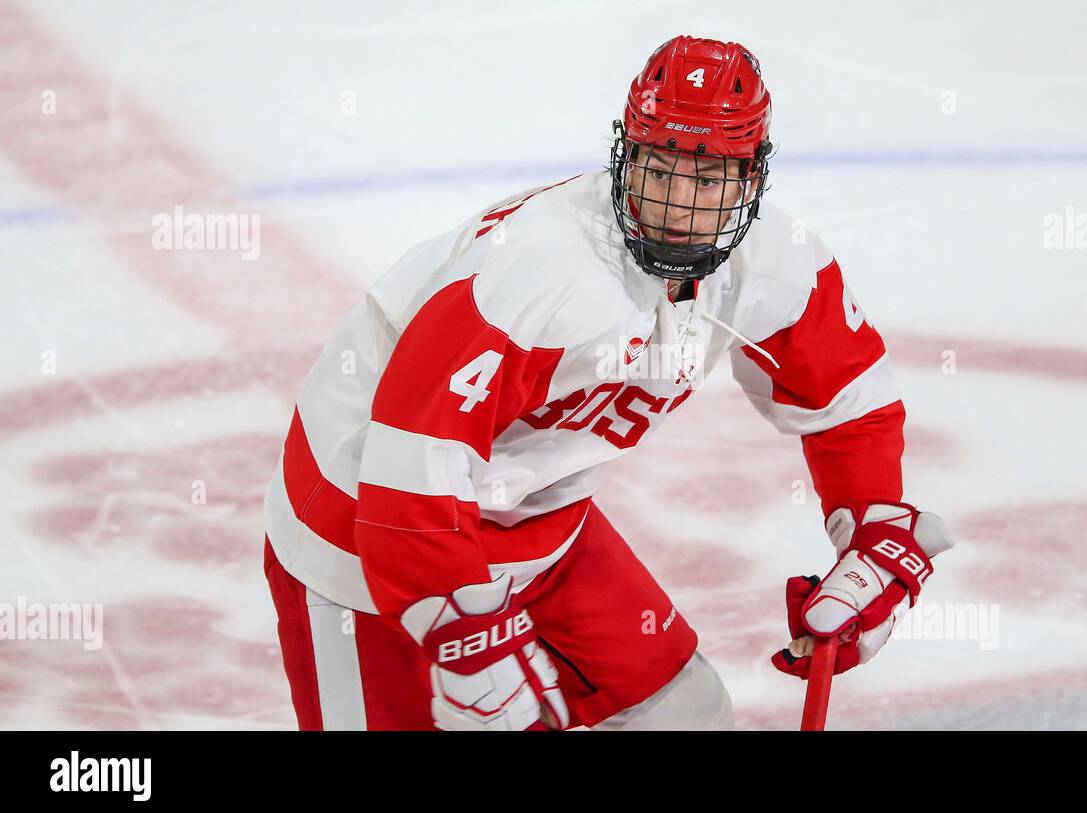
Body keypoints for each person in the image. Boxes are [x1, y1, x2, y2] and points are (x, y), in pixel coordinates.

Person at [262, 34, 953, 731]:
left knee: (686, 716)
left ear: (751, 182)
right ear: (627, 158)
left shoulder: (777, 264)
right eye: (659, 170)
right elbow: (407, 473)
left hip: (533, 521)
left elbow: (849, 400)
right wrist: (464, 637)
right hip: (362, 526)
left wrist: (872, 529)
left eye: (708, 180)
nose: (676, 205)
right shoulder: (540, 273)